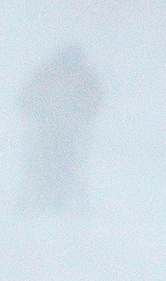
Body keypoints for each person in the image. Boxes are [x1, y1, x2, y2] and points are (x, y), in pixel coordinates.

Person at [16, 44, 103, 214]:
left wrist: (32, 108)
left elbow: (27, 94)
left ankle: (52, 196)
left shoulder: (53, 72)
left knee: (53, 160)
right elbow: (28, 94)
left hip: (58, 126)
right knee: (57, 160)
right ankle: (51, 195)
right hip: (59, 125)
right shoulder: (80, 75)